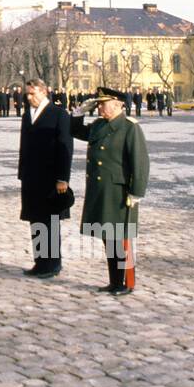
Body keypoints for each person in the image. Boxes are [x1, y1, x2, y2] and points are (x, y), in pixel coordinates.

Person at [70, 87, 150, 295]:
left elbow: (140, 162)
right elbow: (76, 132)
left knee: (120, 238)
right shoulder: (99, 125)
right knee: (108, 237)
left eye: (102, 104)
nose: (98, 107)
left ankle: (124, 282)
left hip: (119, 191)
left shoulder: (129, 127)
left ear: (117, 105)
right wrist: (79, 113)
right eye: (97, 104)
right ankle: (114, 281)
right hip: (101, 189)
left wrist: (136, 192)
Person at [17, 79, 73, 279]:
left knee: (51, 221)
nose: (28, 97)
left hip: (51, 178)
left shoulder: (59, 114)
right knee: (36, 220)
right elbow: (24, 146)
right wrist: (22, 173)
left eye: (32, 94)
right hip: (32, 178)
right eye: (27, 94)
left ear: (43, 92)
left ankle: (53, 263)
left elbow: (65, 147)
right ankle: (40, 262)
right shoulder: (27, 116)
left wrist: (62, 178)